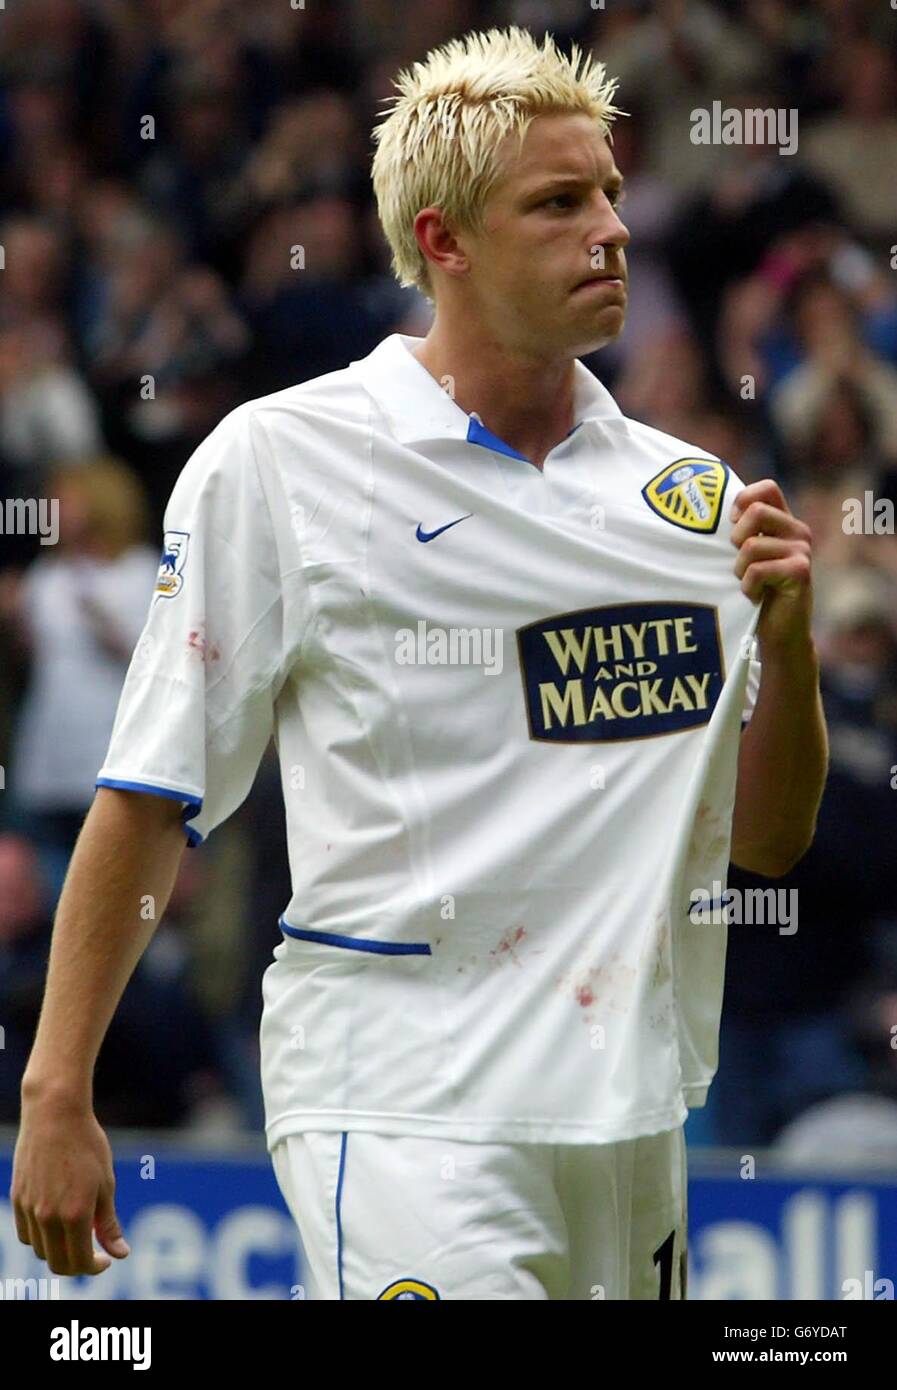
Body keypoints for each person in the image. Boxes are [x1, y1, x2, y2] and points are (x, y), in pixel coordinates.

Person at [11, 26, 827, 1301]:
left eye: (609, 192)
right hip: (401, 1107)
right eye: (558, 203)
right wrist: (59, 1085)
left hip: (634, 1116)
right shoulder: (282, 462)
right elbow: (152, 792)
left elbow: (768, 844)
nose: (609, 229)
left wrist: (789, 642)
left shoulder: (693, 502)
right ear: (443, 240)